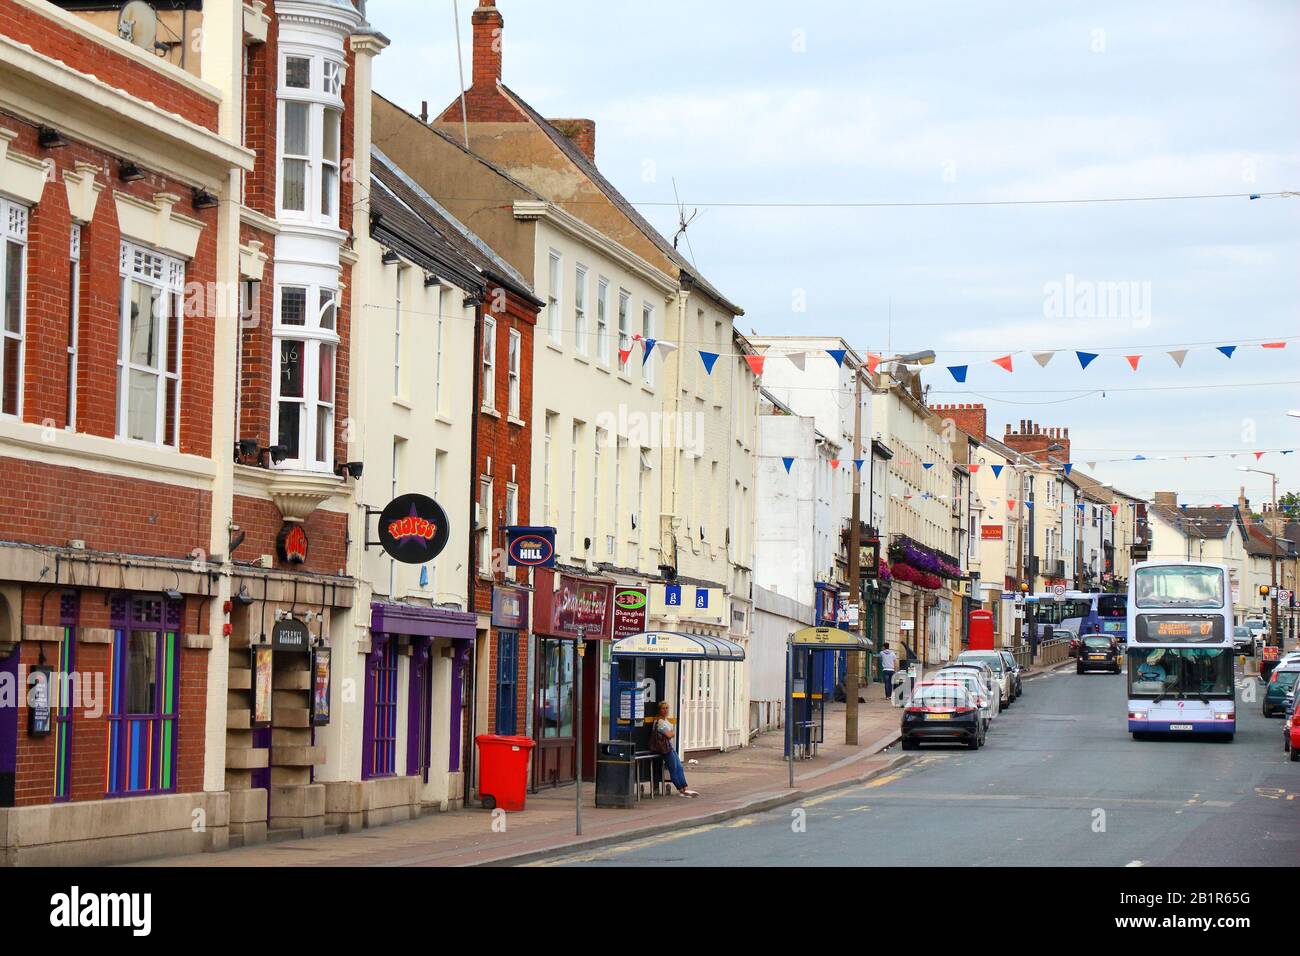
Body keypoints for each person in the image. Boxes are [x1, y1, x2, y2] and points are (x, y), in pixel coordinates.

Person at [651, 701, 698, 797]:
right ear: (659, 710)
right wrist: (670, 733)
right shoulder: (659, 722)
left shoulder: (666, 721)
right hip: (665, 749)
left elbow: (672, 733)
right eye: (663, 708)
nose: (665, 710)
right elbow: (669, 734)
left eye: (666, 708)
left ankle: (685, 787)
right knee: (674, 768)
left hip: (670, 747)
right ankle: (680, 789)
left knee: (680, 767)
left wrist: (671, 733)